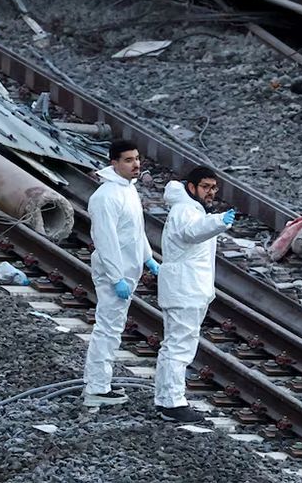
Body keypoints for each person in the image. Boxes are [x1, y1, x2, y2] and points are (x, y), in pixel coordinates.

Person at [154, 166, 236, 423]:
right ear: (191, 187)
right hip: (184, 289)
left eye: (214, 188)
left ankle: (166, 400)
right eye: (205, 187)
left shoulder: (192, 209)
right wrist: (218, 222)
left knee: (177, 345)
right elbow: (192, 232)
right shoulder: (185, 210)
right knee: (179, 347)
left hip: (188, 289)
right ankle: (173, 403)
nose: (211, 193)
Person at [83, 139, 156, 408]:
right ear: (113, 163)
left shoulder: (128, 190)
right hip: (116, 274)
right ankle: (97, 388)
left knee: (113, 327)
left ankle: (100, 384)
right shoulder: (105, 196)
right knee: (108, 329)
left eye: (137, 158)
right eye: (128, 160)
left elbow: (134, 230)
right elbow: (106, 240)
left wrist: (148, 258)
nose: (136, 164)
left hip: (128, 270)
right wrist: (116, 278)